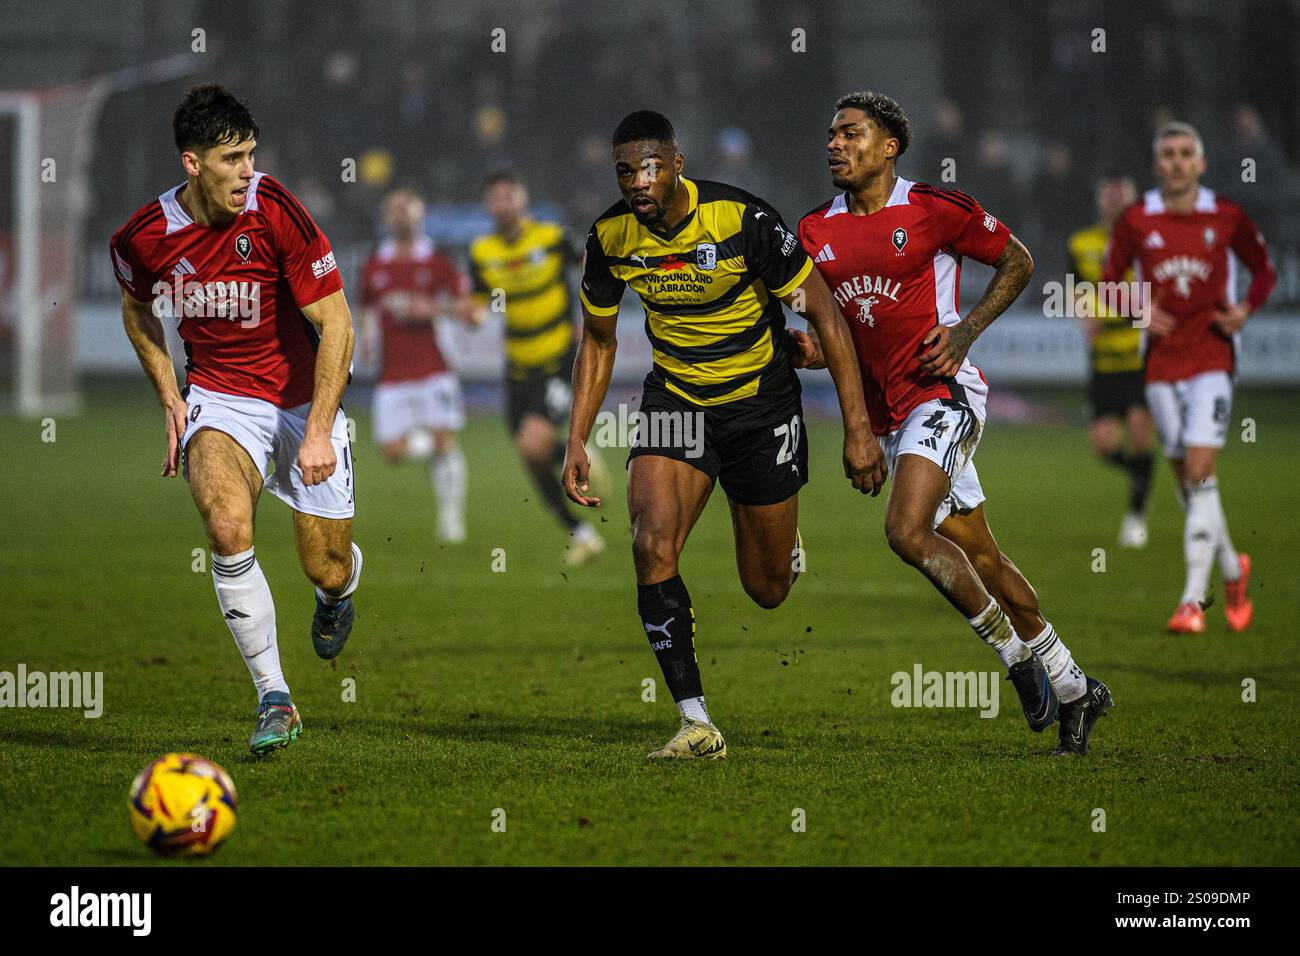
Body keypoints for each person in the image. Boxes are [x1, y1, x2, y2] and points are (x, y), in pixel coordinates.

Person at [796, 91, 1112, 755]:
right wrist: (812, 351)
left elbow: (1018, 260)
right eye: (831, 134)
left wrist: (965, 331)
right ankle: (1076, 687)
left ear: (889, 147)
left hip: (944, 396)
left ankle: (1016, 659)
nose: (834, 144)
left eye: (851, 134)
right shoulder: (814, 233)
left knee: (906, 531)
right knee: (985, 559)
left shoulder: (936, 210)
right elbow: (840, 339)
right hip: (890, 420)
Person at [563, 110, 880, 760]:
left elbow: (825, 313)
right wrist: (577, 438)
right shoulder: (611, 237)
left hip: (760, 408)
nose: (638, 183)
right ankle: (693, 719)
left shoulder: (744, 221)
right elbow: (598, 341)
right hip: (676, 399)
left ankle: (776, 533)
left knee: (766, 590)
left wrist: (859, 430)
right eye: (625, 171)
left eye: (649, 168)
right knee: (652, 543)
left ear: (677, 164)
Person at [111, 84, 362, 755]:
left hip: (305, 398)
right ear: (192, 164)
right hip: (221, 399)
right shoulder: (143, 238)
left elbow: (337, 323)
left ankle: (339, 594)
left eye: (251, 154)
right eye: (232, 158)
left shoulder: (275, 209)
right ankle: (275, 698)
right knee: (225, 526)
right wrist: (169, 391)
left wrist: (317, 430)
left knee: (325, 566)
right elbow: (138, 309)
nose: (248, 170)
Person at [1103, 122, 1276, 633]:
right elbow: (1110, 280)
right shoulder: (1136, 219)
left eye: (1186, 154)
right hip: (1159, 362)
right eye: (1169, 155)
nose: (1178, 162)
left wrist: (1245, 308)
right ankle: (1231, 568)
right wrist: (1138, 310)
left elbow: (1264, 269)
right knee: (1190, 483)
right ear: (1158, 166)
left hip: (1212, 356)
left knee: (1200, 469)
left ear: (1200, 163)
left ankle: (1192, 601)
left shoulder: (1226, 216)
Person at [469, 171, 605, 564]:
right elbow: (478, 303)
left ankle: (577, 462)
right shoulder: (482, 252)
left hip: (560, 361)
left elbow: (591, 265)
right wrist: (472, 313)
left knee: (532, 442)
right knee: (530, 454)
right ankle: (582, 531)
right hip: (517, 369)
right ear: (488, 205)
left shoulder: (550, 238)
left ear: (523, 200)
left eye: (509, 196)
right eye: (496, 198)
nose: (503, 204)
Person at [360, 189, 475, 542]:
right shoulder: (374, 265)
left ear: (420, 215)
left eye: (407, 209)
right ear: (386, 217)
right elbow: (365, 305)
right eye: (394, 209)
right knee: (391, 451)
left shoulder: (436, 261)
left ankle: (451, 520)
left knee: (443, 438)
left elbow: (470, 310)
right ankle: (441, 449)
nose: (401, 215)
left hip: (433, 368)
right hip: (392, 373)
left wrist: (434, 309)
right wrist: (366, 338)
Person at [1067, 173, 1155, 547]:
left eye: (1122, 192)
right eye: (1108, 192)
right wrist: (1082, 313)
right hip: (1103, 361)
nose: (1114, 199)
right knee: (1103, 444)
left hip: (1140, 358)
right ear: (1099, 197)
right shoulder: (1082, 242)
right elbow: (1075, 288)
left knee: (1138, 430)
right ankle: (1141, 472)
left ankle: (1136, 516)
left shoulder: (1149, 241)